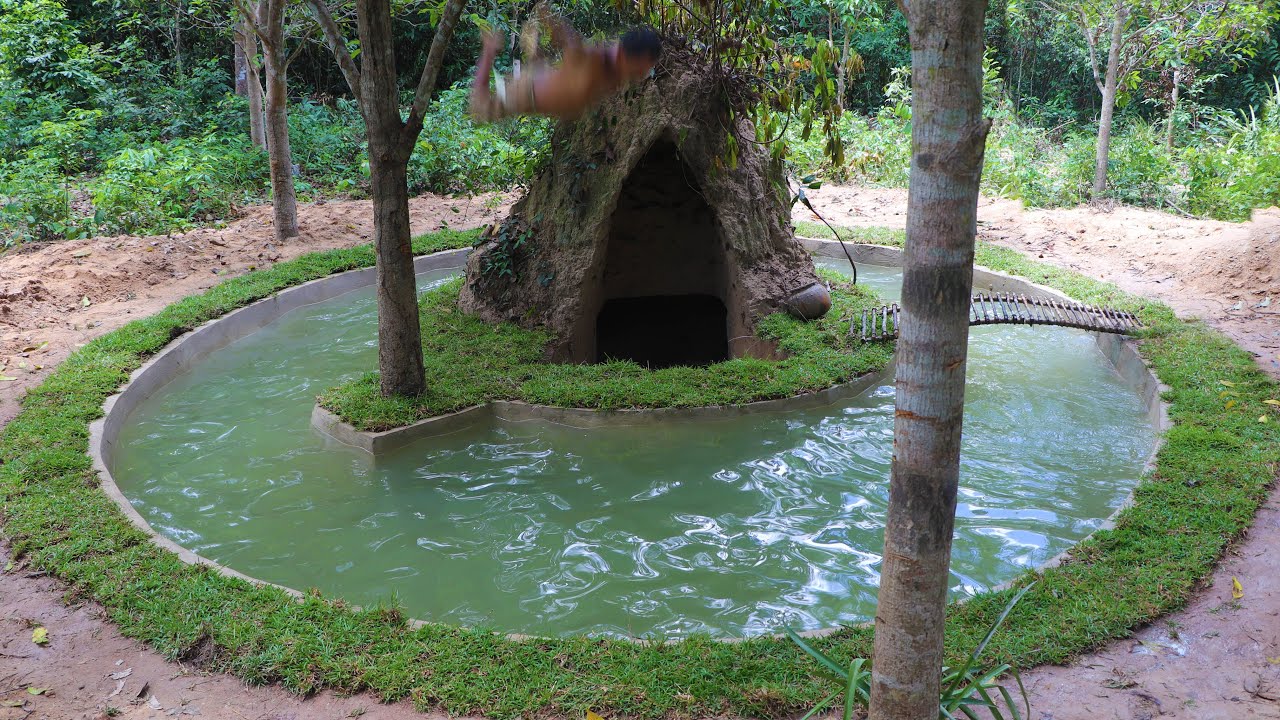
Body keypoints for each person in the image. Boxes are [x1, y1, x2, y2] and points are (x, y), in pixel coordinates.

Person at [469, 12, 661, 123]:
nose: (643, 74)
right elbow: (575, 47)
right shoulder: (598, 59)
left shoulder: (615, 69)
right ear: (626, 56)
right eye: (641, 68)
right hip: (528, 93)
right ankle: (488, 49)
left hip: (541, 83)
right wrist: (554, 24)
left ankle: (534, 58)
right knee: (481, 109)